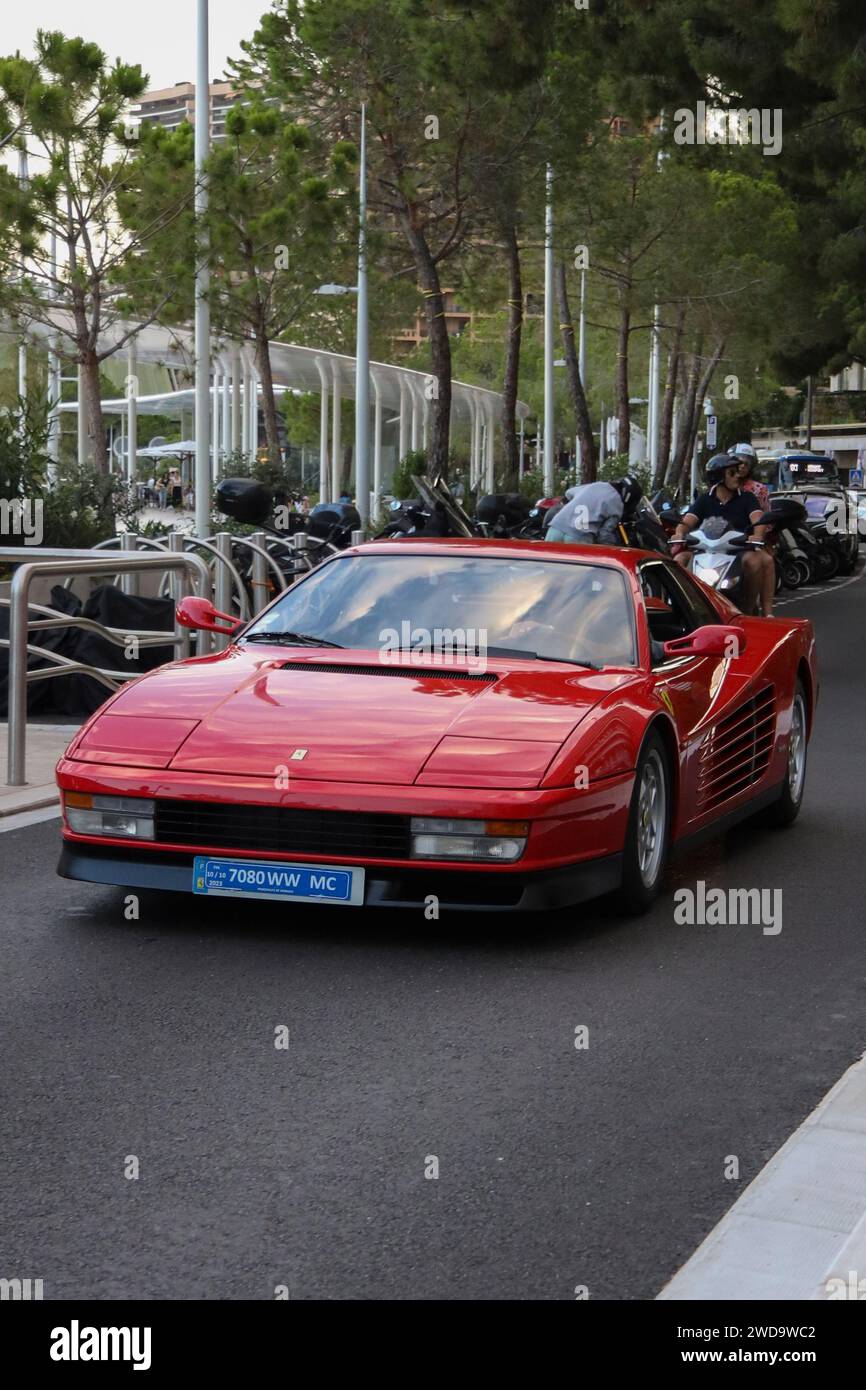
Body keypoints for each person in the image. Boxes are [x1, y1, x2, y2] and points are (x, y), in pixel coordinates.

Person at [670, 454, 775, 616]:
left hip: (737, 550)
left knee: (754, 562)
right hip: (705, 550)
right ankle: (679, 609)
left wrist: (757, 535)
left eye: (737, 472)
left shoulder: (747, 498)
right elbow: (687, 522)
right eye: (732, 473)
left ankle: (750, 609)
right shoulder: (704, 499)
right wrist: (679, 533)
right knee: (679, 560)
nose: (738, 476)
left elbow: (758, 520)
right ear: (718, 477)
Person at [546, 479, 624, 544]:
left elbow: (568, 493)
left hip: (557, 527)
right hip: (579, 536)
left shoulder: (596, 485)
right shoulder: (618, 503)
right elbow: (604, 534)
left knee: (547, 560)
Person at [729, 442, 769, 511]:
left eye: (747, 464)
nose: (743, 466)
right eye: (739, 462)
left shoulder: (760, 489)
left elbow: (766, 515)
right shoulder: (722, 485)